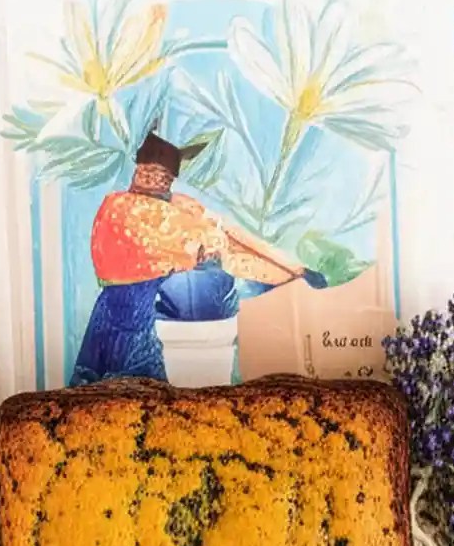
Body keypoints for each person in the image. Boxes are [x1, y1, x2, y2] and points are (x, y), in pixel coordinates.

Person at [71, 131, 324, 385]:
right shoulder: (119, 207)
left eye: (163, 177)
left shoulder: (182, 205)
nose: (155, 180)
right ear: (138, 170)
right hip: (124, 314)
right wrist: (206, 247)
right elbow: (201, 242)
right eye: (148, 173)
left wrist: (294, 269)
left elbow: (228, 236)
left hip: (157, 316)